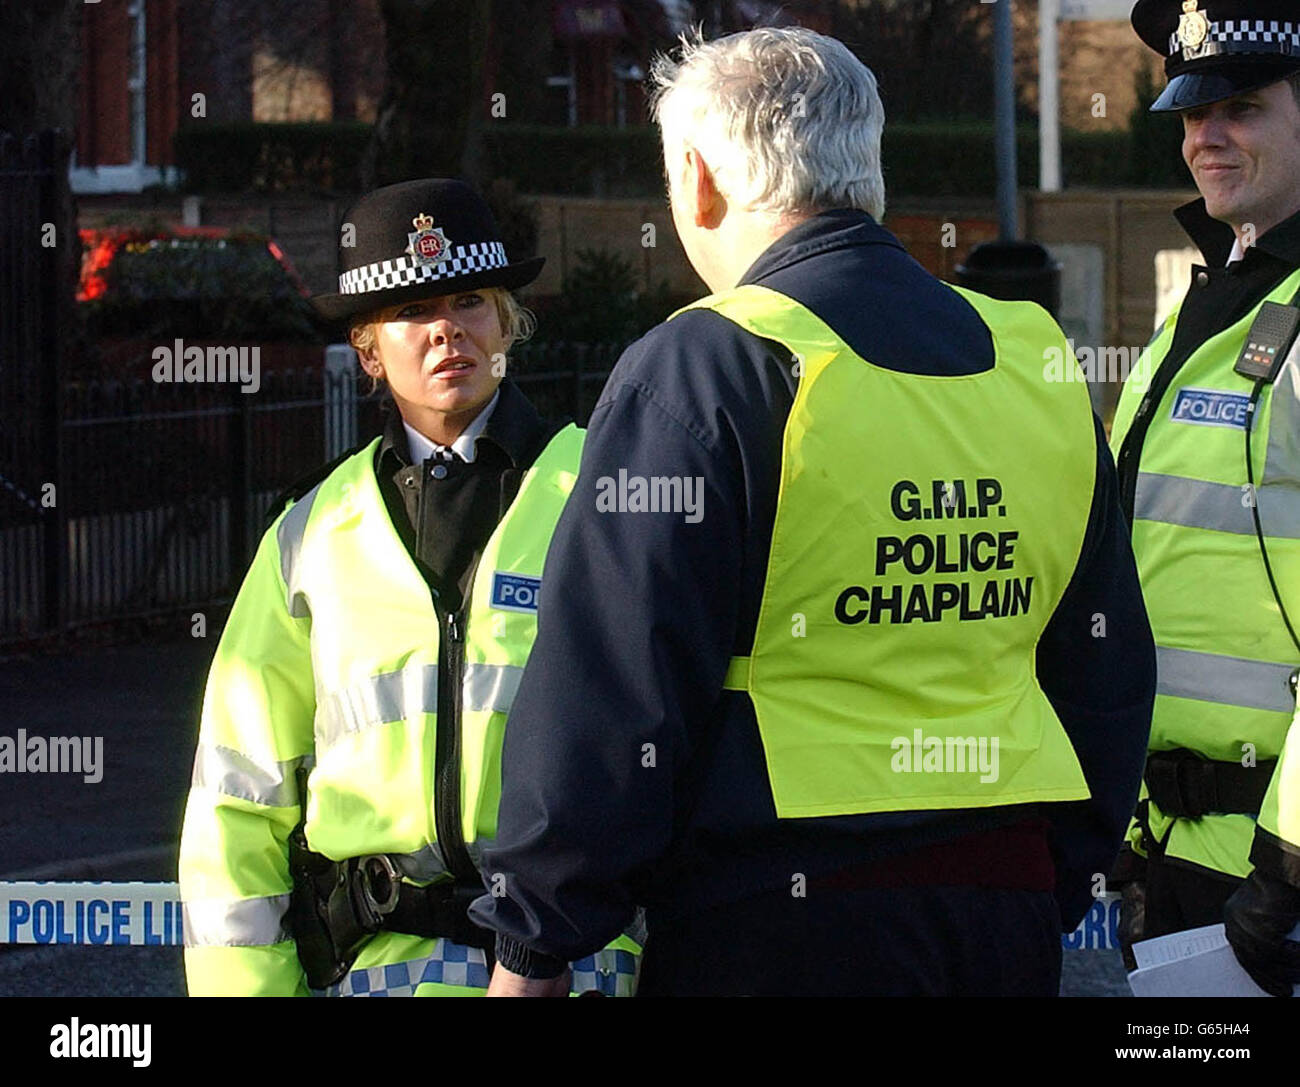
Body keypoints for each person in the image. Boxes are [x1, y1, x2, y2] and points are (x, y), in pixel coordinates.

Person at [469, 27, 1156, 997]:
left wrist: (536, 940)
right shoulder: (1033, 361)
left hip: (774, 922)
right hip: (999, 912)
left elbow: (614, 688)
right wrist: (1049, 879)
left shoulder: (709, 365)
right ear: (865, 167)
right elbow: (1107, 667)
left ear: (699, 181)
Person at [177, 178, 640, 996]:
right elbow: (237, 797)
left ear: (507, 322)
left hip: (574, 967)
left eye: (469, 300)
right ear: (367, 350)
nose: (445, 330)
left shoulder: (601, 497)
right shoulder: (309, 536)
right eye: (411, 310)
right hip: (380, 971)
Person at [1113, 0, 1300, 998]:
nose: (1203, 135)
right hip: (1175, 863)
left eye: (1240, 107)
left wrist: (1280, 890)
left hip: (1270, 891)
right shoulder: (1216, 300)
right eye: (1191, 111)